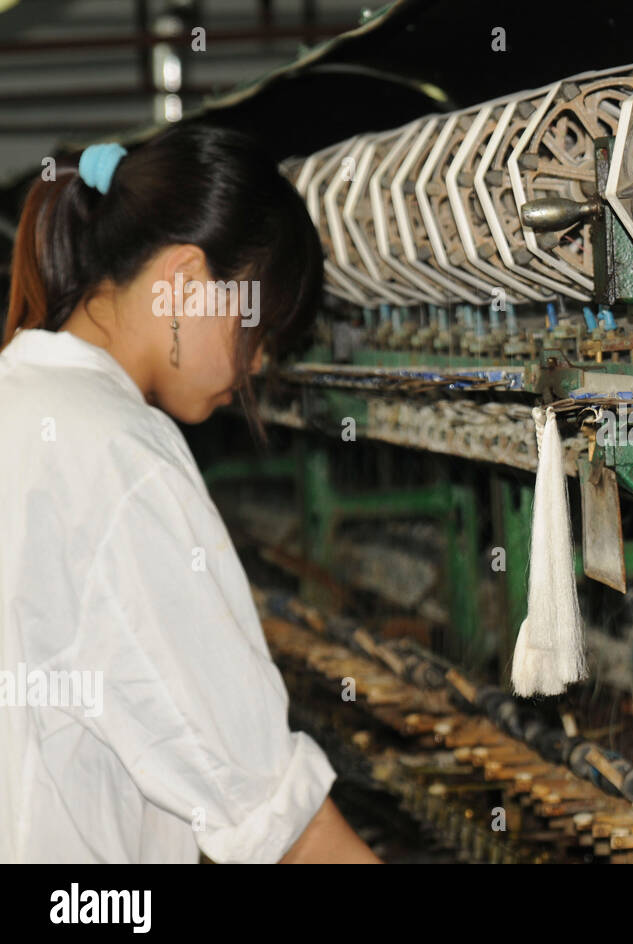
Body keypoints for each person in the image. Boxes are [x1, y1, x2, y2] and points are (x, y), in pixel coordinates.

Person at [0, 123, 380, 863]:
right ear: (183, 279)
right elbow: (277, 820)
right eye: (257, 327)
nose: (255, 362)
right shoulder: (117, 453)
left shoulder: (20, 398)